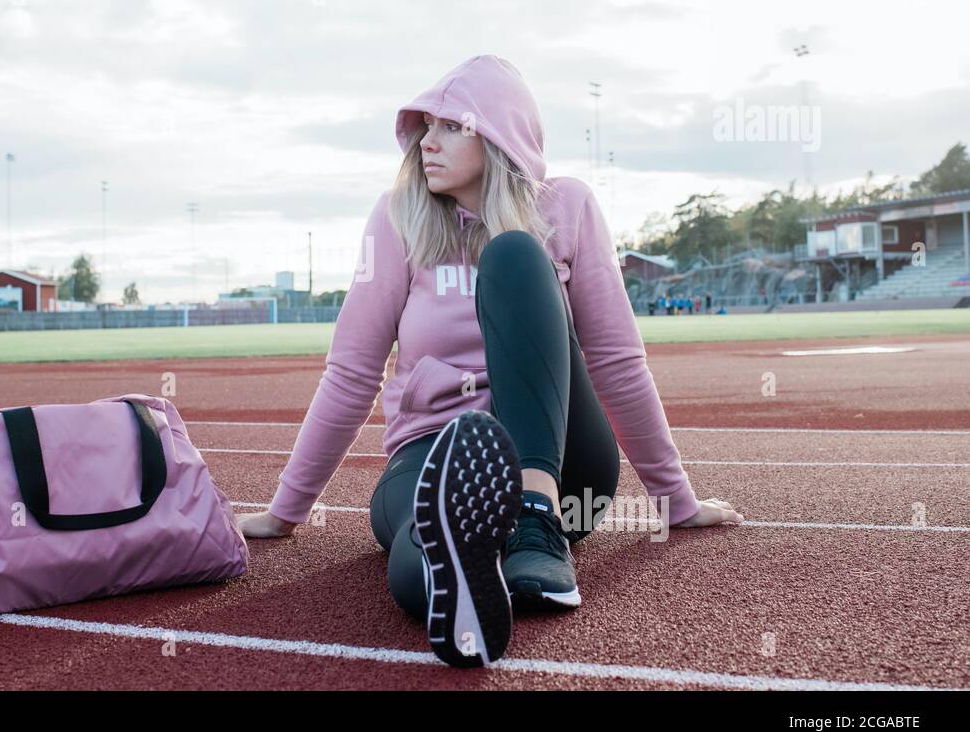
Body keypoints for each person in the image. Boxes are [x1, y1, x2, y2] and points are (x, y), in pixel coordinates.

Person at [237, 55, 744, 667]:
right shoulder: (399, 217)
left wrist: (675, 501)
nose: (428, 141)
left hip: (563, 464)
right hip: (435, 451)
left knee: (513, 256)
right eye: (426, 126)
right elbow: (352, 373)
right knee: (410, 562)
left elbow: (614, 359)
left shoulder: (568, 208)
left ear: (498, 134)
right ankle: (468, 580)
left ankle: (536, 518)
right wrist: (285, 512)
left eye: (452, 126)